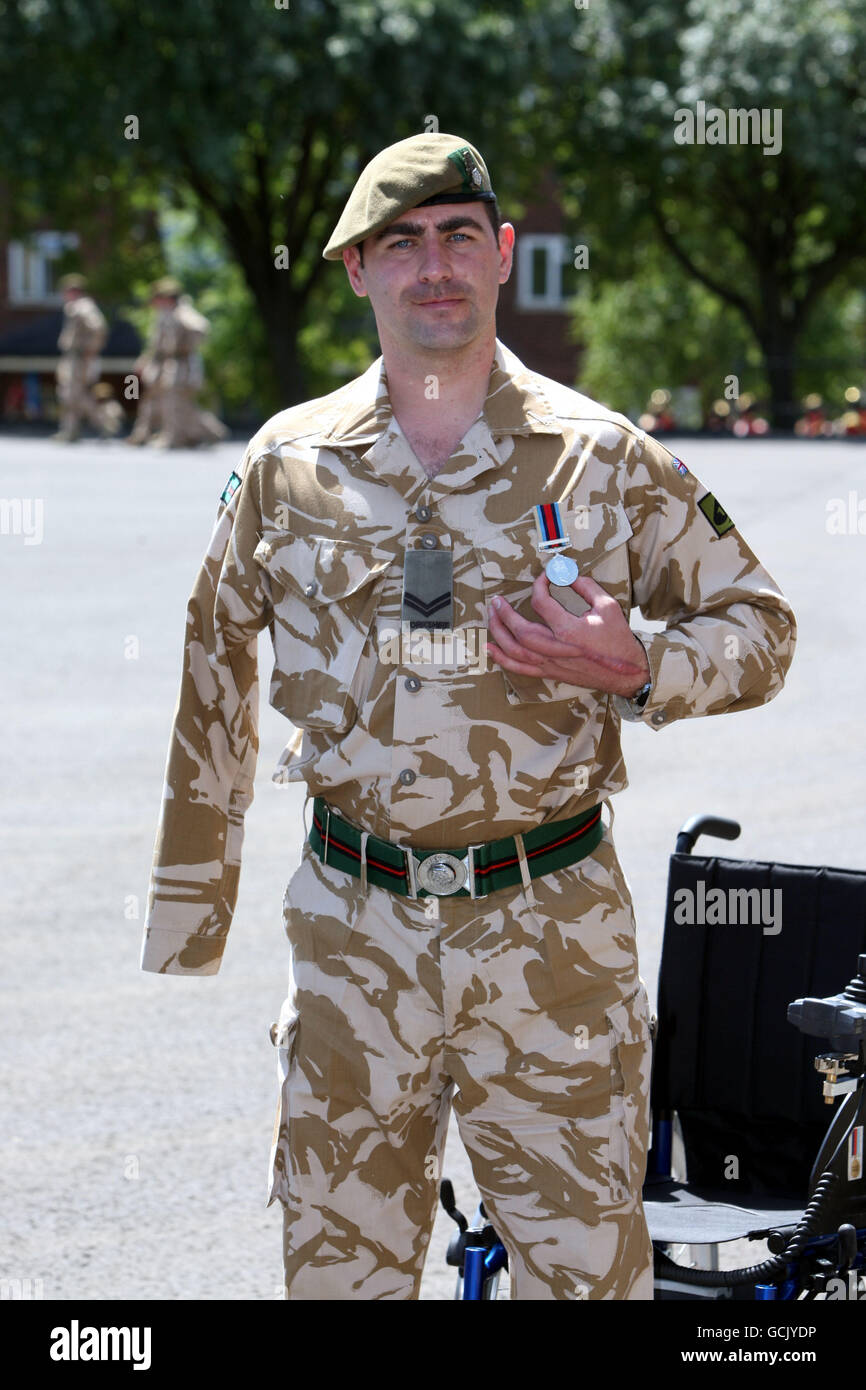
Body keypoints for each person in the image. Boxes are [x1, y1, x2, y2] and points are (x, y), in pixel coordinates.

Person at [140, 133, 796, 1300]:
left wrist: (633, 662)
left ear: (500, 255)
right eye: (400, 242)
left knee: (583, 1279)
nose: (431, 265)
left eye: (456, 237)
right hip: (352, 935)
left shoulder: (600, 456)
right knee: (340, 1281)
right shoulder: (287, 462)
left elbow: (759, 627)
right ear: (356, 269)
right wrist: (195, 906)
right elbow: (212, 655)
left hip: (550, 937)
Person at [127, 277, 227, 448]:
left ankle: (180, 437)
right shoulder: (166, 314)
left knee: (177, 403)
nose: (155, 302)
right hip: (168, 365)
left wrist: (186, 346)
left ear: (167, 298)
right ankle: (194, 434)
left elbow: (201, 328)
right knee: (173, 403)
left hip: (182, 366)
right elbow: (157, 345)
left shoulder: (182, 312)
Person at [52, 273, 117, 441]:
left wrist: (90, 350)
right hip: (74, 358)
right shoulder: (75, 307)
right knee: (71, 394)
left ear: (73, 291)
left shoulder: (83, 307)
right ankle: (71, 430)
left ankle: (105, 422)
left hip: (80, 359)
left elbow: (99, 328)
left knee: (76, 395)